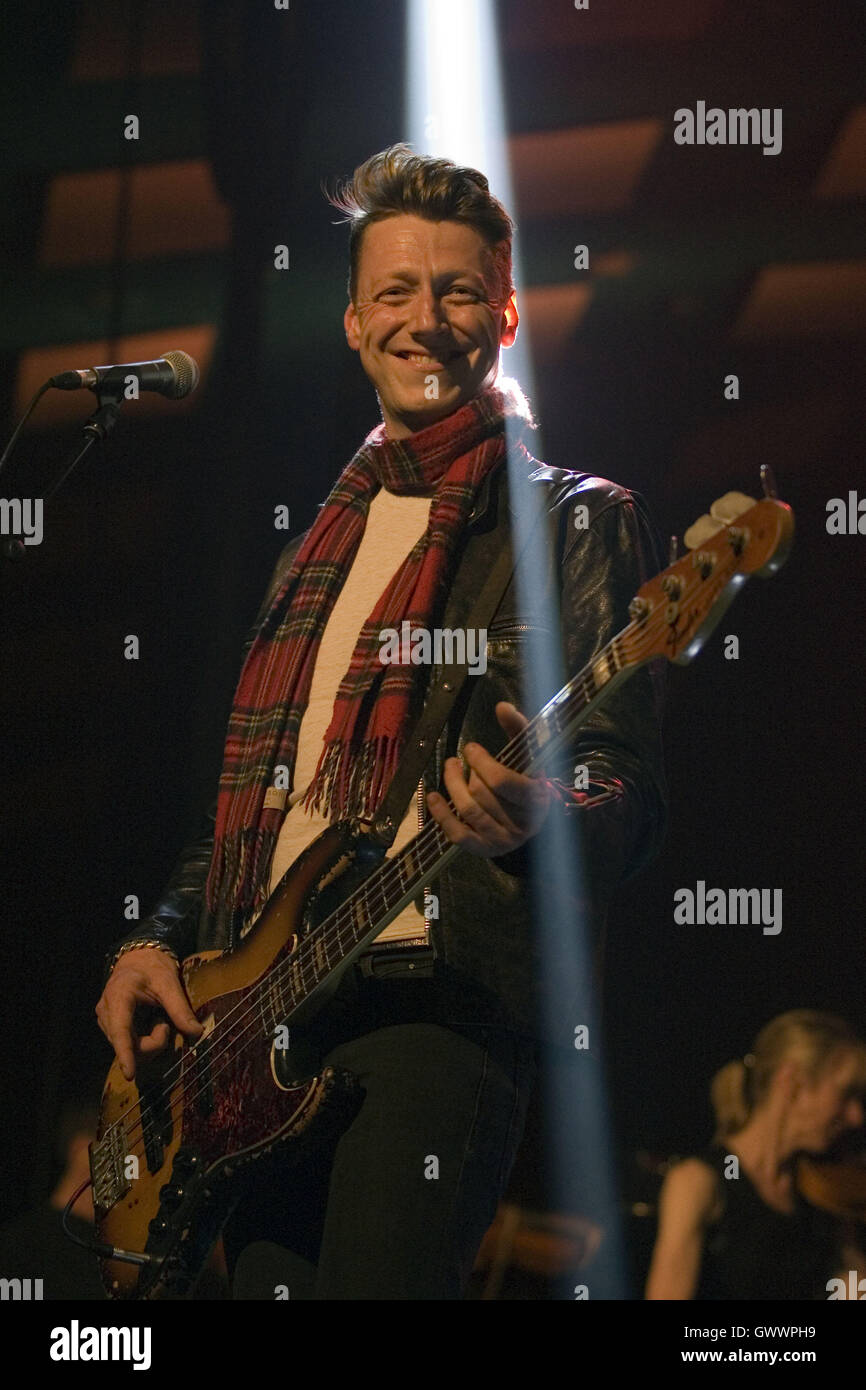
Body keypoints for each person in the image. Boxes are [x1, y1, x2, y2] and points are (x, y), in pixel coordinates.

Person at [95, 144, 667, 1300]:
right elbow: (244, 819)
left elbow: (625, 798)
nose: (426, 319)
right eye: (396, 292)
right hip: (257, 1041)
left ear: (501, 314)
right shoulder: (312, 554)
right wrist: (152, 939)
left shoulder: (575, 524)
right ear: (355, 324)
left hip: (431, 1015)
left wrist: (531, 819)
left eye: (457, 292)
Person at [645, 1009, 866, 1300]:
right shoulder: (697, 1182)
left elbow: (852, 1288)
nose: (856, 1116)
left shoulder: (820, 1187)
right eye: (846, 1094)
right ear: (793, 1083)